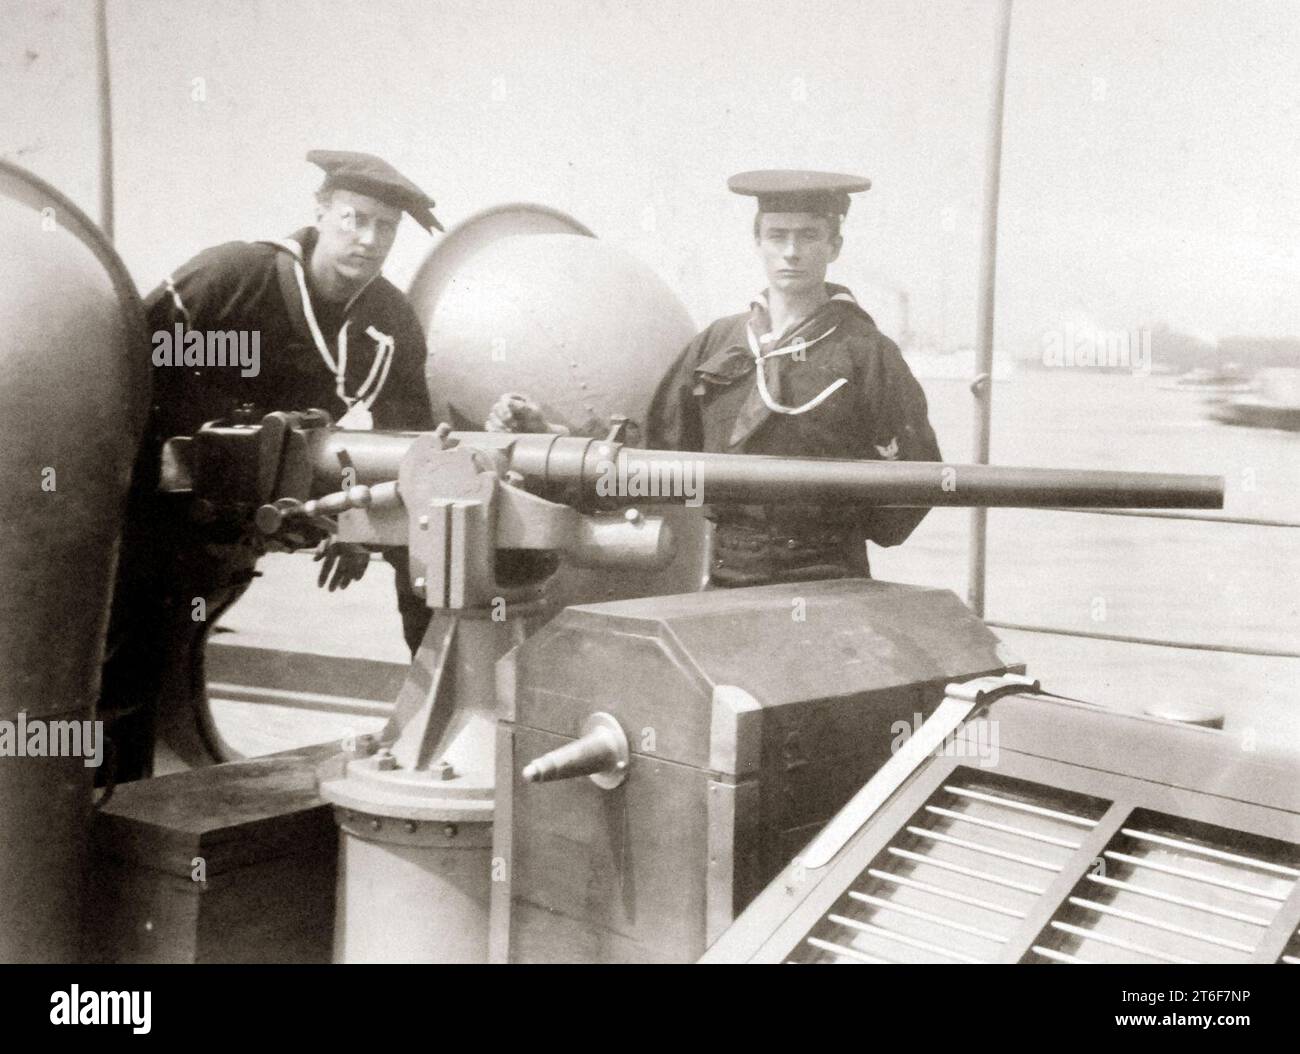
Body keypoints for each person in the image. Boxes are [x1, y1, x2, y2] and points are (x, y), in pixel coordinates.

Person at [102, 150, 441, 780]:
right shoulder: (233, 276)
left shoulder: (388, 322)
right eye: (355, 218)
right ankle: (98, 831)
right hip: (149, 506)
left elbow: (410, 447)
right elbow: (122, 371)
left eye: (386, 228)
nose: (369, 241)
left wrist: (370, 524)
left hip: (243, 515)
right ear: (321, 212)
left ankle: (435, 735)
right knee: (121, 671)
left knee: (427, 550)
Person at [487, 169, 940, 586]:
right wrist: (554, 438)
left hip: (828, 572)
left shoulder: (866, 353)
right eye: (777, 235)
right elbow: (652, 460)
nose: (791, 251)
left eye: (809, 236)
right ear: (757, 241)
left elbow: (913, 485)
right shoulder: (720, 343)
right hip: (729, 570)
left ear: (834, 246)